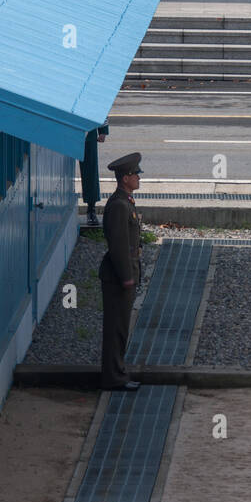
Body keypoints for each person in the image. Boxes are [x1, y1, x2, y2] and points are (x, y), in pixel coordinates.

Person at [99, 152, 144, 392]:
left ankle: (118, 372)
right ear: (125, 178)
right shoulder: (119, 205)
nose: (138, 177)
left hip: (124, 274)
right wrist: (127, 277)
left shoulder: (125, 201)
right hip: (118, 277)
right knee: (115, 329)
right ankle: (113, 377)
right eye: (135, 174)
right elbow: (118, 246)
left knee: (121, 328)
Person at [78, 121, 109, 226]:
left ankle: (91, 209)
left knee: (90, 171)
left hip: (88, 130)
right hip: (66, 126)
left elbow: (100, 105)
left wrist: (103, 130)